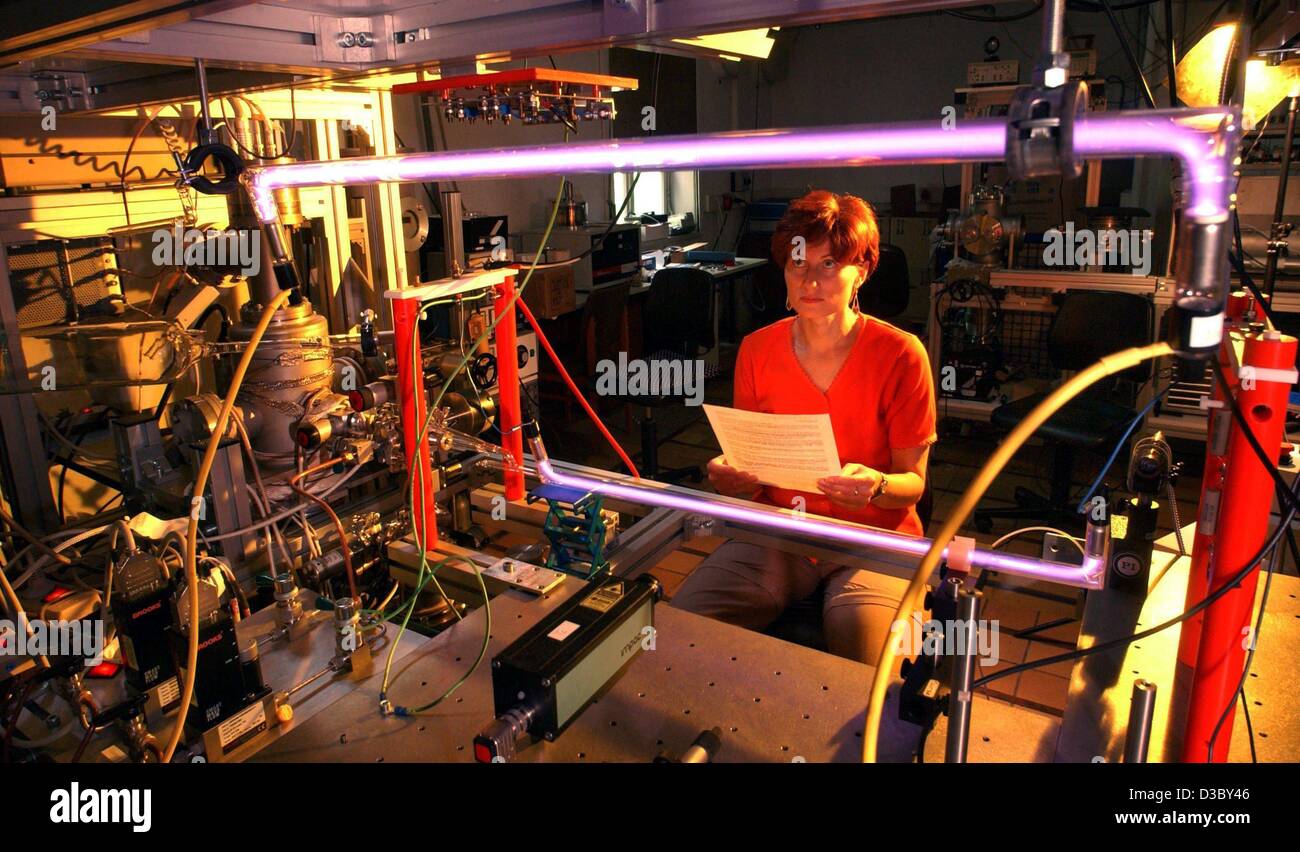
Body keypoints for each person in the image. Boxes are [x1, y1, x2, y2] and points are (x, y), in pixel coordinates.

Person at [671, 189, 937, 665]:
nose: (811, 279)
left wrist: (875, 486)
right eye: (798, 264)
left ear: (863, 270)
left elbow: (912, 484)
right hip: (781, 534)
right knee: (681, 630)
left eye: (830, 264)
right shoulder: (756, 350)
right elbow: (747, 465)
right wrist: (730, 478)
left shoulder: (901, 355)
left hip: (873, 541)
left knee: (872, 670)